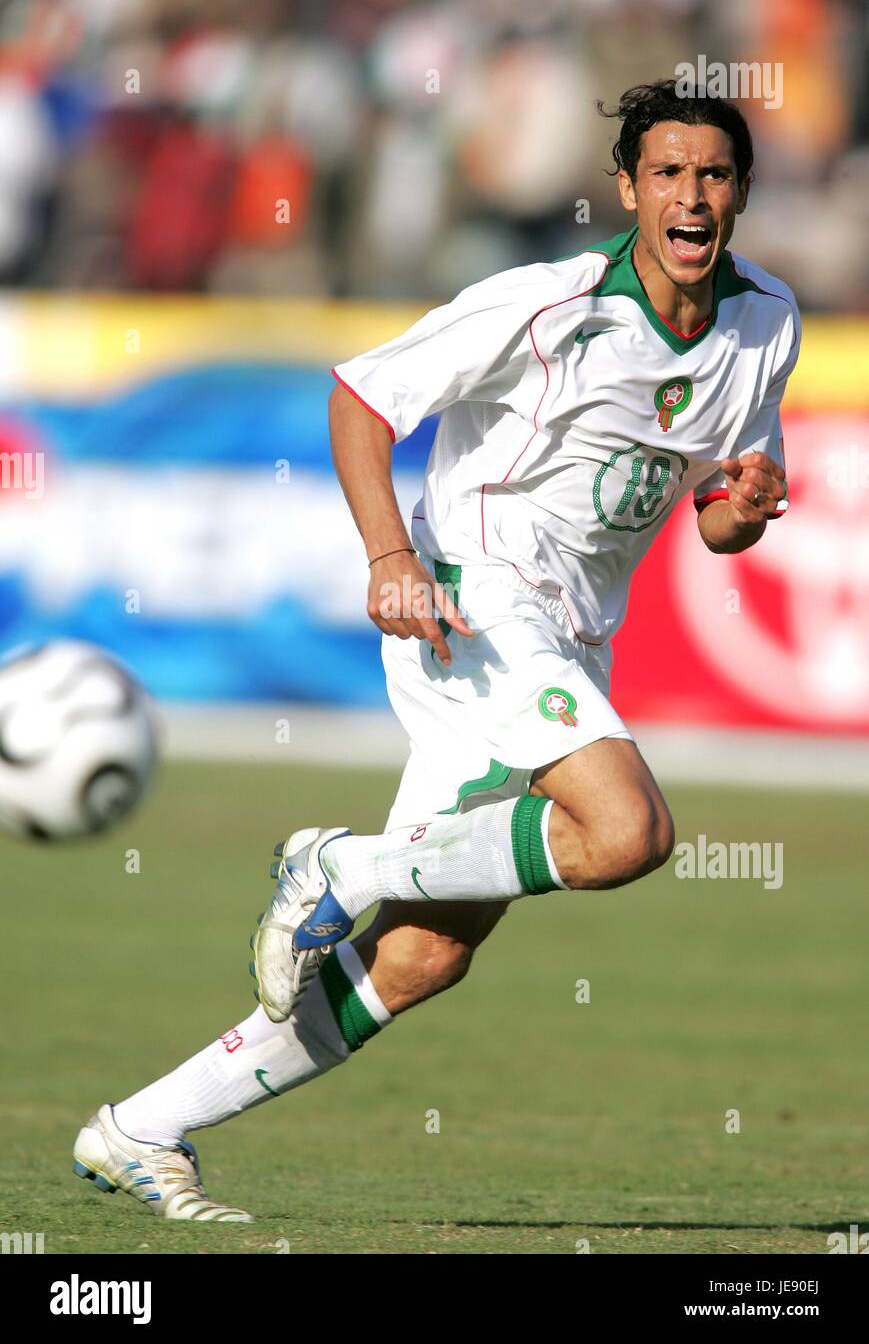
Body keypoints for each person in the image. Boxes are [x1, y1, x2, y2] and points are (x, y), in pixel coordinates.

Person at [73, 80, 798, 1221]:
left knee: (420, 959)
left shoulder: (767, 322)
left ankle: (140, 1128)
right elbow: (362, 395)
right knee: (625, 831)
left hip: (568, 637)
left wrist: (744, 509)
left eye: (712, 174)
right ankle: (338, 864)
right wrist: (385, 558)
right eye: (665, 173)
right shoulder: (544, 304)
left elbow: (718, 512)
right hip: (473, 604)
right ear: (625, 189)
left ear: (741, 193)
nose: (690, 195)